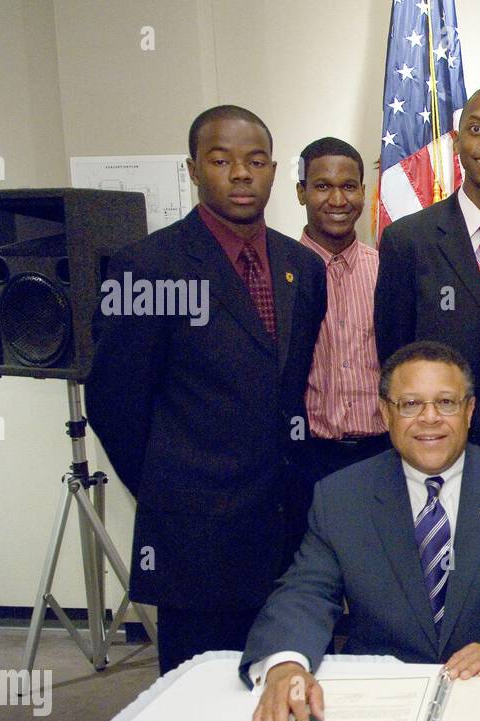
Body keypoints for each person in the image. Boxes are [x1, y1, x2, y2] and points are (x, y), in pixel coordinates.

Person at [86, 105, 327, 675]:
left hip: (286, 534)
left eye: (256, 160)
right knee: (197, 704)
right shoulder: (147, 267)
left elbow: (287, 389)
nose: (241, 174)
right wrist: (170, 488)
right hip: (195, 542)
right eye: (222, 160)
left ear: (273, 171)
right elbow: (115, 403)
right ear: (193, 169)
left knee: (283, 688)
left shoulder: (302, 266)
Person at [244, 341, 480, 721]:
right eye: (410, 404)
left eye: (446, 403)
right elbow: (305, 593)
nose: (430, 419)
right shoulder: (341, 496)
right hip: (380, 703)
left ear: (470, 411)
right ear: (385, 412)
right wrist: (285, 664)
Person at [373, 86, 480, 447]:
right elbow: (394, 355)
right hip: (438, 441)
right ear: (457, 143)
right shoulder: (407, 240)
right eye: (477, 130)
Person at [295, 137, 385, 482]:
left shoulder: (386, 271)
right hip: (305, 459)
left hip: (381, 454)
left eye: (348, 186)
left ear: (362, 191)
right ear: (301, 192)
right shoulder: (278, 273)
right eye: (322, 186)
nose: (337, 199)